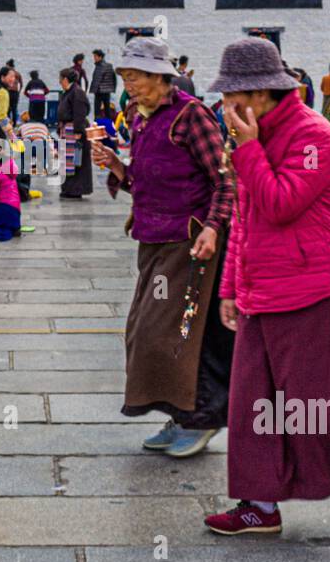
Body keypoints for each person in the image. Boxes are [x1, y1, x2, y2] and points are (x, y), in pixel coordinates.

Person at [204, 37, 330, 536]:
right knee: (252, 405)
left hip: (313, 291)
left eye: (231, 96)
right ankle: (259, 505)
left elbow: (281, 203)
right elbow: (243, 221)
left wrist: (247, 151)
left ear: (262, 92)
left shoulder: (313, 137)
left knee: (326, 405)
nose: (225, 107)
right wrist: (230, 288)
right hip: (263, 291)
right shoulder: (255, 136)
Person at [91, 36, 233, 457]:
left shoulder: (193, 116)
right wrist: (117, 166)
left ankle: (201, 418)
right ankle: (180, 413)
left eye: (136, 78)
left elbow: (225, 179)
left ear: (160, 76)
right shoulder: (137, 117)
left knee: (182, 332)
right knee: (145, 331)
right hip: (153, 238)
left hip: (191, 242)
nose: (129, 86)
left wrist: (213, 227)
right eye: (126, 78)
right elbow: (144, 178)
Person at [56, 67, 91, 200]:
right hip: (67, 130)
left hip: (75, 131)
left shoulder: (77, 93)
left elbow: (79, 113)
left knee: (76, 161)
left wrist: (78, 131)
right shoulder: (69, 92)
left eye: (60, 79)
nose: (59, 82)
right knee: (67, 162)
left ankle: (76, 190)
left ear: (65, 79)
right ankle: (68, 189)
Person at [89, 49, 116, 118]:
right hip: (107, 92)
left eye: (95, 56)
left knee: (97, 112)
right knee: (107, 110)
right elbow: (114, 78)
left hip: (99, 92)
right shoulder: (109, 66)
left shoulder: (99, 66)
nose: (94, 58)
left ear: (100, 57)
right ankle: (108, 125)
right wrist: (113, 88)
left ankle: (97, 125)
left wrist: (93, 90)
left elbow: (96, 80)